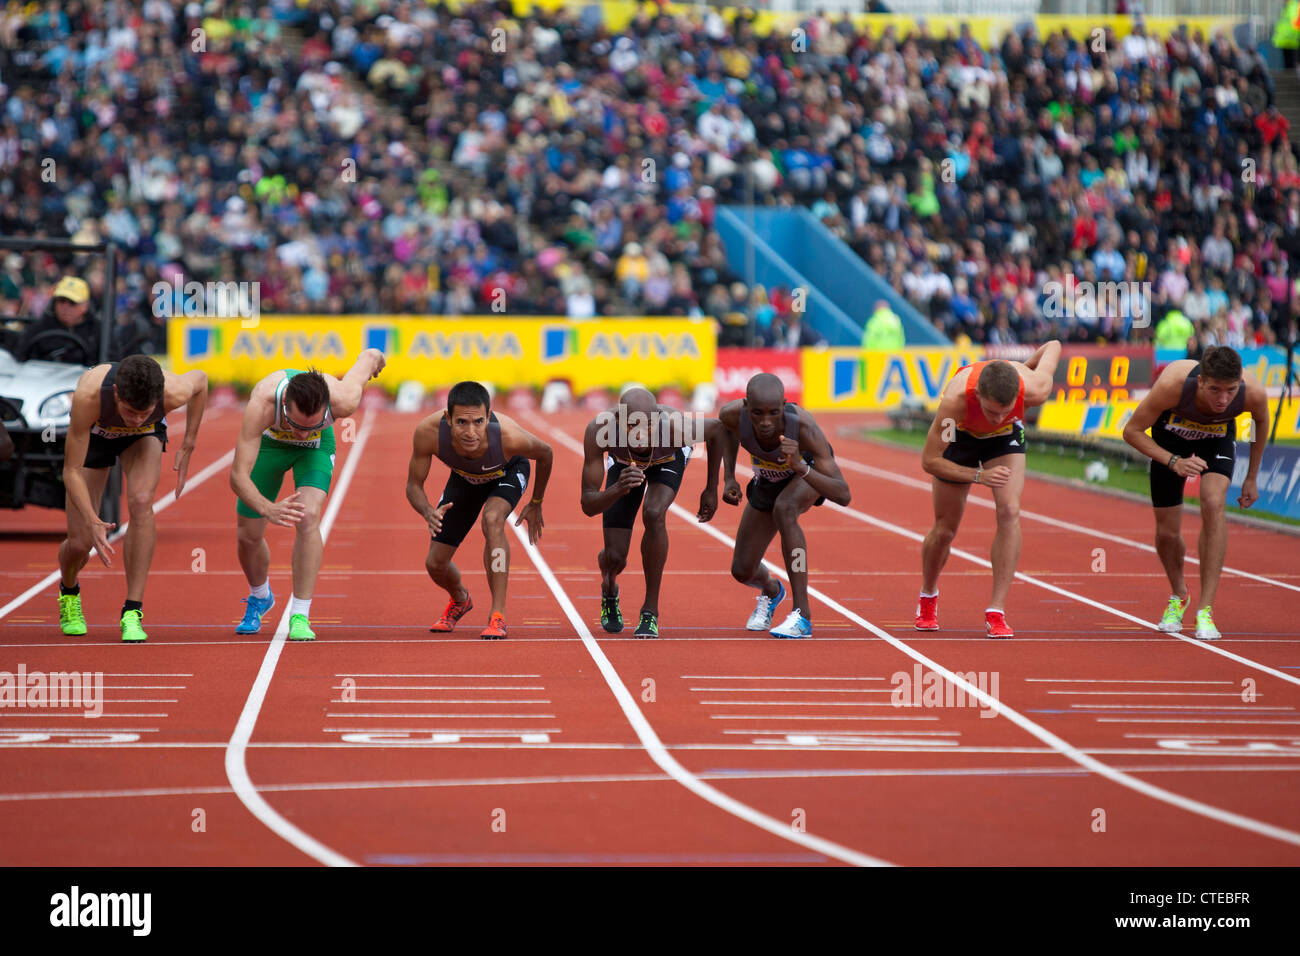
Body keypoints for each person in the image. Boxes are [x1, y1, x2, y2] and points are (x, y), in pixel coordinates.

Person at [230, 351, 386, 641]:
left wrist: (377, 359)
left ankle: (300, 613)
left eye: (311, 425)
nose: (302, 434)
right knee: (248, 536)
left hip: (315, 451)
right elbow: (237, 476)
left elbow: (367, 360)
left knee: (308, 515)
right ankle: (260, 596)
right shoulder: (263, 403)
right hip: (270, 447)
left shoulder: (343, 399)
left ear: (327, 409)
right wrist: (267, 508)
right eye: (297, 425)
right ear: (284, 406)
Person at [57, 354, 209, 641]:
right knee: (80, 542)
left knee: (141, 502)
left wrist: (189, 442)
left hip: (143, 437)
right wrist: (92, 519)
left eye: (144, 412)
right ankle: (69, 590)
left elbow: (201, 380)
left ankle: (132, 610)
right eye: (130, 412)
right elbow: (71, 471)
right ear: (116, 394)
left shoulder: (172, 392)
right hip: (97, 434)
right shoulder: (89, 395)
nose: (135, 418)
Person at [1122, 346, 1270, 640]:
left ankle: (1206, 609)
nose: (1223, 399)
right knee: (1166, 532)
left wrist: (1252, 477)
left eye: (1230, 390)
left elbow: (1260, 422)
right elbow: (1132, 431)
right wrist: (1173, 461)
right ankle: (1178, 594)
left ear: (1239, 383)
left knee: (1213, 502)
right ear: (1200, 381)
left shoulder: (1252, 391)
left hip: (1216, 441)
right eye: (1215, 389)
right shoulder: (1173, 383)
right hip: (1170, 442)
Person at [915, 341, 1061, 638]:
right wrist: (978, 476)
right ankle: (928, 595)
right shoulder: (956, 400)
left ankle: (997, 610)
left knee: (1010, 510)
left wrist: (1025, 366)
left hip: (1005, 439)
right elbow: (929, 461)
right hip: (960, 436)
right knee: (944, 530)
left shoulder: (1035, 389)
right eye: (991, 411)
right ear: (978, 395)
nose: (996, 417)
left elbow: (1054, 345)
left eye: (1003, 410)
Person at [406, 380, 552, 639]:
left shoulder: (508, 436)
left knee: (492, 519)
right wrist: (427, 510)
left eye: (478, 422)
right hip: (465, 479)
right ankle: (461, 599)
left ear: (489, 417)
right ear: (448, 418)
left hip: (507, 471)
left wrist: (536, 502)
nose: (470, 432)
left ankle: (497, 616)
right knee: (435, 564)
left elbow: (545, 453)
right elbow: (414, 486)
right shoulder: (428, 433)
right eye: (462, 422)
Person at [712, 372, 851, 638]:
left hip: (806, 471)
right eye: (757, 413)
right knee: (742, 570)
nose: (766, 422)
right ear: (745, 407)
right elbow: (726, 433)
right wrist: (729, 477)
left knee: (785, 509)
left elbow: (843, 495)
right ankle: (772, 590)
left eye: (774, 413)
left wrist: (800, 466)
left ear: (785, 405)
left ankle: (802, 615)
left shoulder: (804, 429)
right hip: (768, 478)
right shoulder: (732, 415)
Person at [579, 387, 724, 638]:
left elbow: (718, 431)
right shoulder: (599, 431)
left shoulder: (676, 428)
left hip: (667, 459)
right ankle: (609, 587)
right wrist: (617, 489)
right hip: (624, 467)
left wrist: (712, 488)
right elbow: (588, 505)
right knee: (615, 557)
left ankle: (650, 611)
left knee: (654, 512)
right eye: (632, 425)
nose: (640, 433)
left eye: (647, 425)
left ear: (657, 419)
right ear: (618, 421)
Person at [17, 276, 113, 364]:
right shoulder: (37, 329)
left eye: (72, 302)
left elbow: (109, 365)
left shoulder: (99, 332)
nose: (65, 307)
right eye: (61, 301)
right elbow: (22, 359)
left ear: (85, 306)